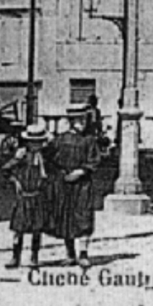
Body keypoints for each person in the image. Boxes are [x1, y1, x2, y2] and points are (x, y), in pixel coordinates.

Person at [47, 103, 101, 267]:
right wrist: (61, 173)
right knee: (66, 217)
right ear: (71, 121)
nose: (82, 123)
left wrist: (80, 172)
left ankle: (83, 254)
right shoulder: (59, 140)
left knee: (83, 216)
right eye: (79, 120)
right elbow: (49, 159)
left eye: (84, 119)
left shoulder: (90, 140)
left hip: (83, 184)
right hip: (64, 184)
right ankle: (70, 254)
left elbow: (94, 160)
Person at [2, 122, 52, 269]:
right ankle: (15, 257)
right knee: (19, 228)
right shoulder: (22, 155)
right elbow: (6, 169)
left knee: (37, 228)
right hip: (24, 196)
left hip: (38, 196)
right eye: (34, 142)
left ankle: (34, 257)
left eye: (39, 142)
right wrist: (15, 181)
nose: (37, 145)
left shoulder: (44, 157)